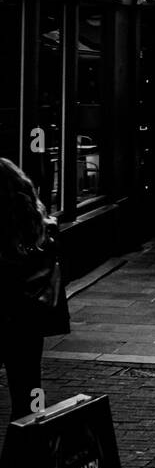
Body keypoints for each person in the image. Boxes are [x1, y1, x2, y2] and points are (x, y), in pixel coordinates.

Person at [0, 159, 68, 423]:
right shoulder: (37, 230)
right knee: (27, 393)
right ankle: (24, 457)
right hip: (27, 321)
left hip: (7, 316)